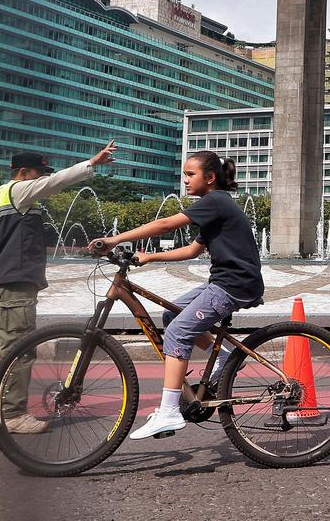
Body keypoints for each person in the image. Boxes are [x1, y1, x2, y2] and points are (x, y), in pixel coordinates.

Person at [88, 150, 264, 440]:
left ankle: (169, 411)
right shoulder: (215, 206)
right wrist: (150, 257)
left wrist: (115, 239)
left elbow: (165, 224)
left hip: (234, 285)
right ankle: (226, 357)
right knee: (172, 314)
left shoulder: (215, 201)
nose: (185, 180)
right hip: (225, 281)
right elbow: (193, 250)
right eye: (184, 174)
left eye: (190, 174)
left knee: (178, 332)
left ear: (209, 178)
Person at [0, 141, 116, 434]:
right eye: (38, 173)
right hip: (14, 283)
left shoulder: (5, 195)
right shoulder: (17, 191)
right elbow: (56, 182)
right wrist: (91, 163)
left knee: (7, 348)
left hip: (7, 281)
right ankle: (11, 415)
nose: (42, 179)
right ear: (23, 172)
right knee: (19, 349)